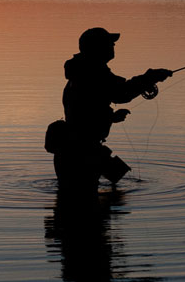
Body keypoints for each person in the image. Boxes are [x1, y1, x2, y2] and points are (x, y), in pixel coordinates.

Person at [47, 27, 171, 194]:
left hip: (75, 149)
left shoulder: (82, 72)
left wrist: (110, 117)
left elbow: (84, 111)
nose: (113, 46)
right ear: (98, 48)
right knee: (83, 203)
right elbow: (122, 93)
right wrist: (150, 77)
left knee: (77, 200)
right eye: (110, 43)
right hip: (81, 153)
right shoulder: (92, 73)